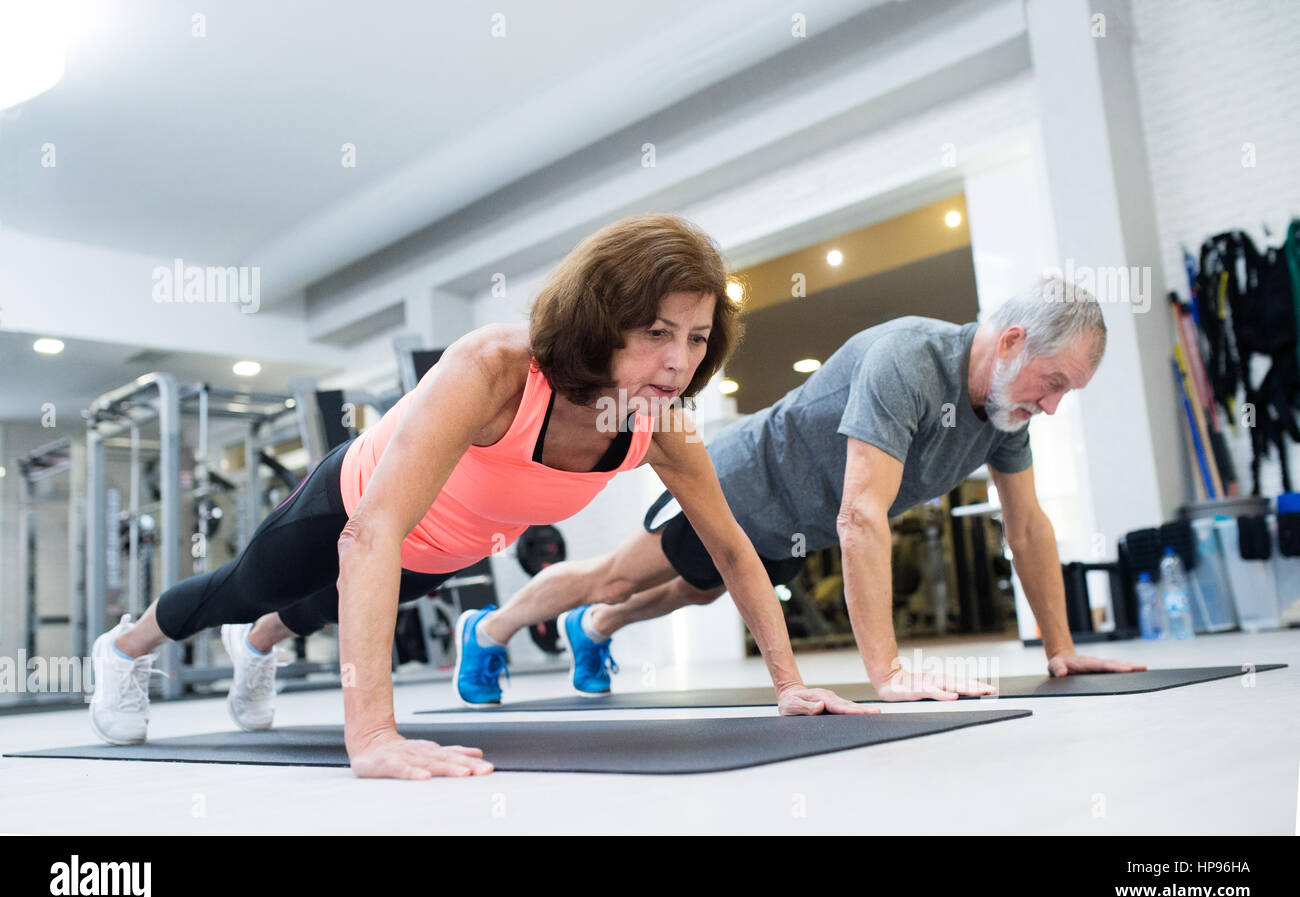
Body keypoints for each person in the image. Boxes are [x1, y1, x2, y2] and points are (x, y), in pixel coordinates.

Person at [88, 213, 871, 781]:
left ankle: (256, 647)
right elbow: (370, 534)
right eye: (658, 332)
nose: (678, 360)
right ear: (603, 320)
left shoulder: (660, 421)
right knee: (244, 589)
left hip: (449, 546)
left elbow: (733, 547)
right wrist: (373, 734)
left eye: (697, 339)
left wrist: (789, 683)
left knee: (317, 610)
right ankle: (124, 650)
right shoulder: (497, 369)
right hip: (355, 506)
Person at [463, 277, 1146, 703]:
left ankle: (594, 629)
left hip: (797, 525)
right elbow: (861, 515)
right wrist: (887, 673)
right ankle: (487, 629)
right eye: (1052, 383)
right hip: (738, 481)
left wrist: (1060, 647)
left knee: (696, 588)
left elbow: (1026, 526)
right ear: (1012, 341)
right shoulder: (910, 359)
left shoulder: (1004, 411)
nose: (1052, 405)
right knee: (616, 575)